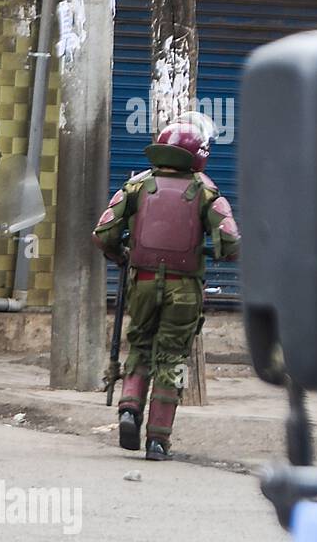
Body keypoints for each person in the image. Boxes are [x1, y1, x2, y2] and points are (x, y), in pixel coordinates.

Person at [93, 114, 240, 460]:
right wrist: (215, 252)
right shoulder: (205, 190)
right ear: (198, 154)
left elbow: (103, 235)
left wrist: (121, 254)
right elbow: (231, 242)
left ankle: (129, 407)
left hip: (141, 283)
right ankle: (158, 439)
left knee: (140, 347)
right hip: (185, 289)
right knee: (171, 358)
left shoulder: (136, 186)